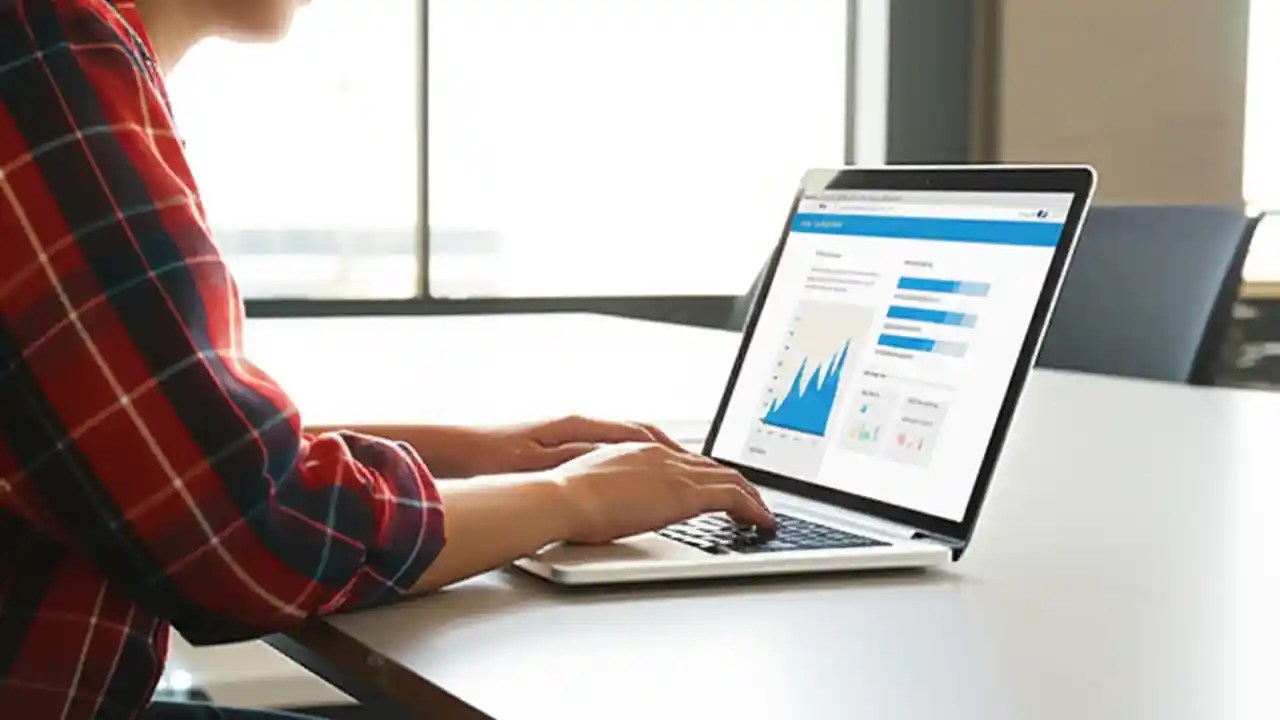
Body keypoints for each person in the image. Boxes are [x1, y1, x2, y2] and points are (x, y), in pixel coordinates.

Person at [0, 1, 776, 718]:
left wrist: (476, 453)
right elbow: (244, 538)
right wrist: (570, 500)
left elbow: (156, 449)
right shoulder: (44, 47)